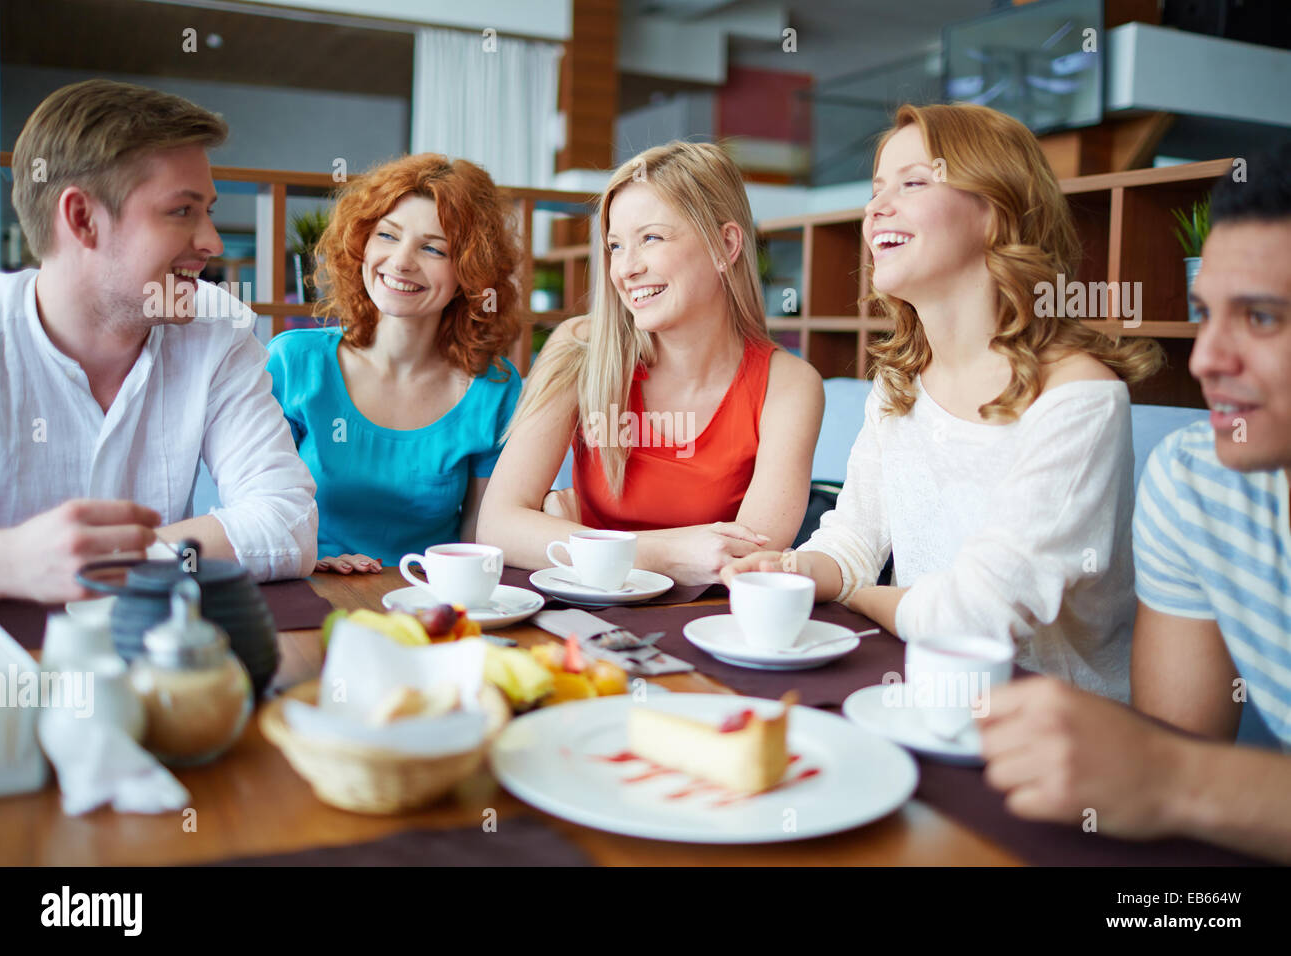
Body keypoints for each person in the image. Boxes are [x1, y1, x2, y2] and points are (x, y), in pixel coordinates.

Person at [722, 104, 1162, 700]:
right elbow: (853, 540)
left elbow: (973, 615)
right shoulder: (900, 383)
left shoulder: (1079, 398)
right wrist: (795, 570)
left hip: (1051, 739)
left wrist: (854, 595)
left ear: (995, 212)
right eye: (876, 188)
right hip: (919, 691)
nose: (876, 207)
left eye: (913, 182)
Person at [979, 146, 1291, 863]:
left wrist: (1172, 778)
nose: (1208, 358)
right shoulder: (1196, 482)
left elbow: (1171, 773)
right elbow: (1169, 768)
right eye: (1205, 314)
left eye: (1263, 318)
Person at [0, 79, 317, 604]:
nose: (211, 242)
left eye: (207, 210)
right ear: (82, 219)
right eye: (182, 211)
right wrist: (7, 562)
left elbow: (287, 520)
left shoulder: (219, 328)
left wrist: (105, 562)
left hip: (162, 667)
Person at [476, 141, 823, 586]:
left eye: (651, 238)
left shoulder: (790, 385)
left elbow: (746, 559)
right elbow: (500, 525)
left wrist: (576, 535)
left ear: (727, 244)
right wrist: (668, 553)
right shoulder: (579, 348)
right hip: (587, 615)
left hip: (713, 627)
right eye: (615, 246)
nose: (625, 268)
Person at [267, 154, 522, 573]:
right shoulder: (295, 362)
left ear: (470, 272)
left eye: (433, 248)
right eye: (387, 235)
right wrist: (311, 560)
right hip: (306, 587)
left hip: (429, 601)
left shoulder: (494, 387)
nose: (402, 261)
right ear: (362, 243)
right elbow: (256, 511)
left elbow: (481, 538)